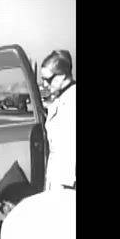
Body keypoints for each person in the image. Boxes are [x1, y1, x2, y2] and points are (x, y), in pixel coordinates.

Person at [40, 50, 76, 191]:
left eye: (47, 79)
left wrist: (64, 184)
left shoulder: (72, 101)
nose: (44, 84)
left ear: (61, 76)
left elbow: (71, 147)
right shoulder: (63, 98)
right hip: (57, 176)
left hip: (66, 181)